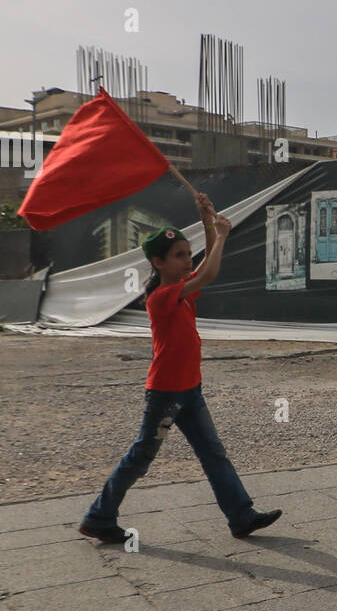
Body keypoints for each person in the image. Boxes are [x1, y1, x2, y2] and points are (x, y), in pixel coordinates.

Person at [80, 191, 282, 543]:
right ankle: (99, 516)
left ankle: (241, 516)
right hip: (165, 394)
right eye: (179, 256)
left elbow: (202, 271)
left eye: (188, 254)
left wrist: (206, 218)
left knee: (213, 453)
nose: (188, 260)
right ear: (159, 262)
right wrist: (220, 236)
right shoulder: (161, 298)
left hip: (190, 391)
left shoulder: (182, 290)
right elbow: (209, 274)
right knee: (141, 456)